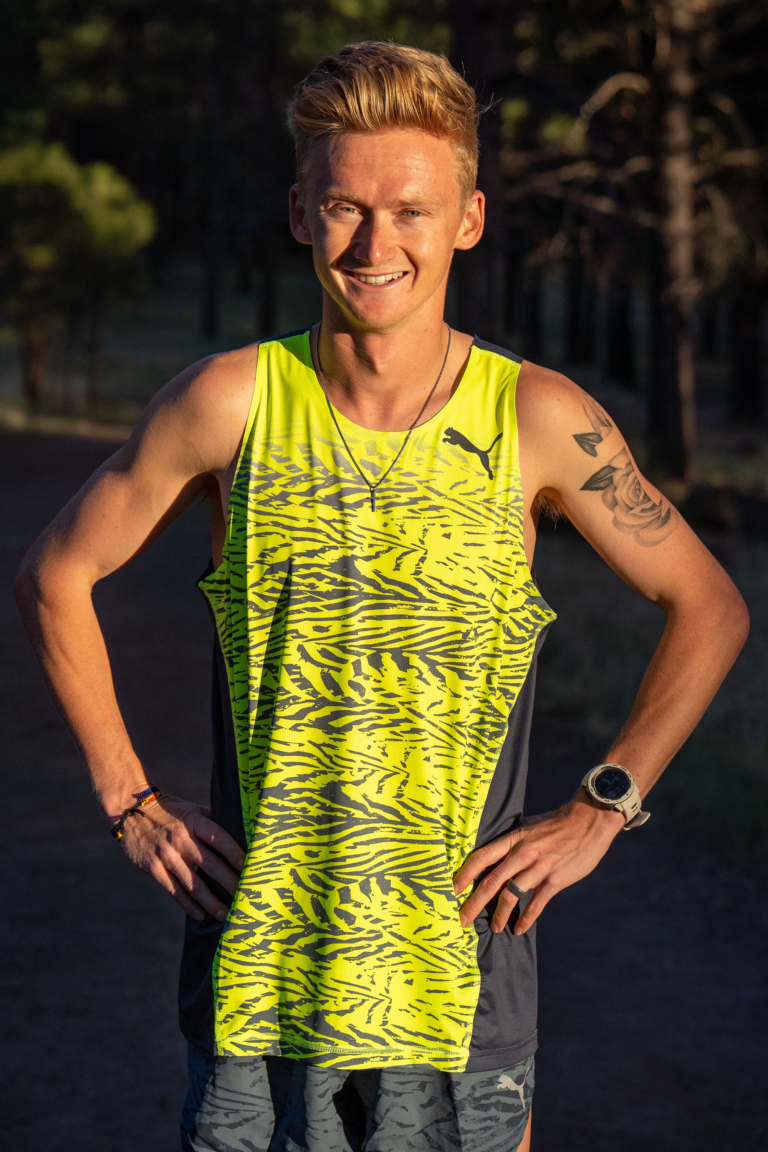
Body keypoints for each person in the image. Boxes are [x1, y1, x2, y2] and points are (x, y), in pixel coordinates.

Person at [15, 41, 748, 1152]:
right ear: (301, 212)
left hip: (461, 976)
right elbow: (55, 575)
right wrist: (130, 801)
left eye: (411, 209)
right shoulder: (231, 402)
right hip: (259, 963)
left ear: (468, 218)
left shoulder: (537, 418)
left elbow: (709, 604)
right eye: (345, 206)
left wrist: (604, 804)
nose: (376, 242)